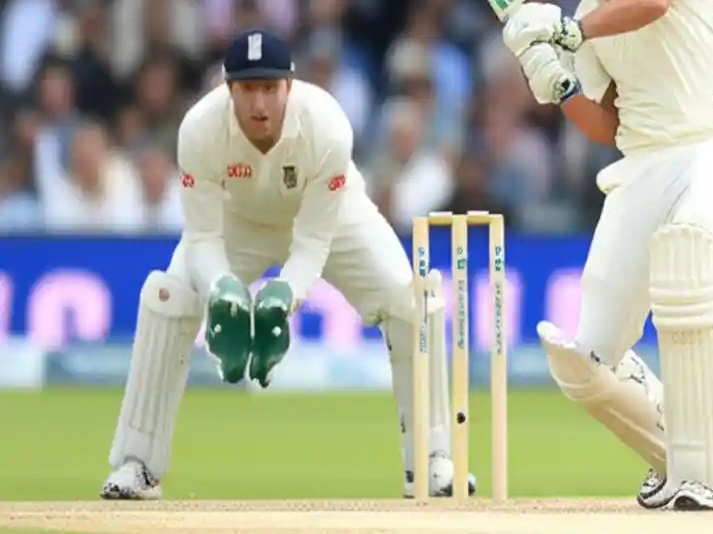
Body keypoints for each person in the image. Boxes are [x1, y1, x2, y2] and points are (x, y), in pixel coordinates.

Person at [99, 30, 473, 500]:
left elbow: (315, 240)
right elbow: (202, 236)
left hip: (333, 219)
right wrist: (221, 289)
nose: (260, 104)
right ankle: (138, 466)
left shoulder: (327, 126)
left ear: (289, 88)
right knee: (169, 297)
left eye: (270, 89)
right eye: (248, 89)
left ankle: (432, 460)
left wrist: (284, 295)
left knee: (411, 300)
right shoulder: (198, 128)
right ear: (227, 89)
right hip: (237, 223)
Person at [500, 0, 713, 510]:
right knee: (584, 361)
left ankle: (704, 474)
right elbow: (607, 123)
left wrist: (566, 32)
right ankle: (671, 455)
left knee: (689, 263)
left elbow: (653, 1)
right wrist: (555, 85)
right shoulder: (590, 13)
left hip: (710, 148)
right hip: (642, 164)